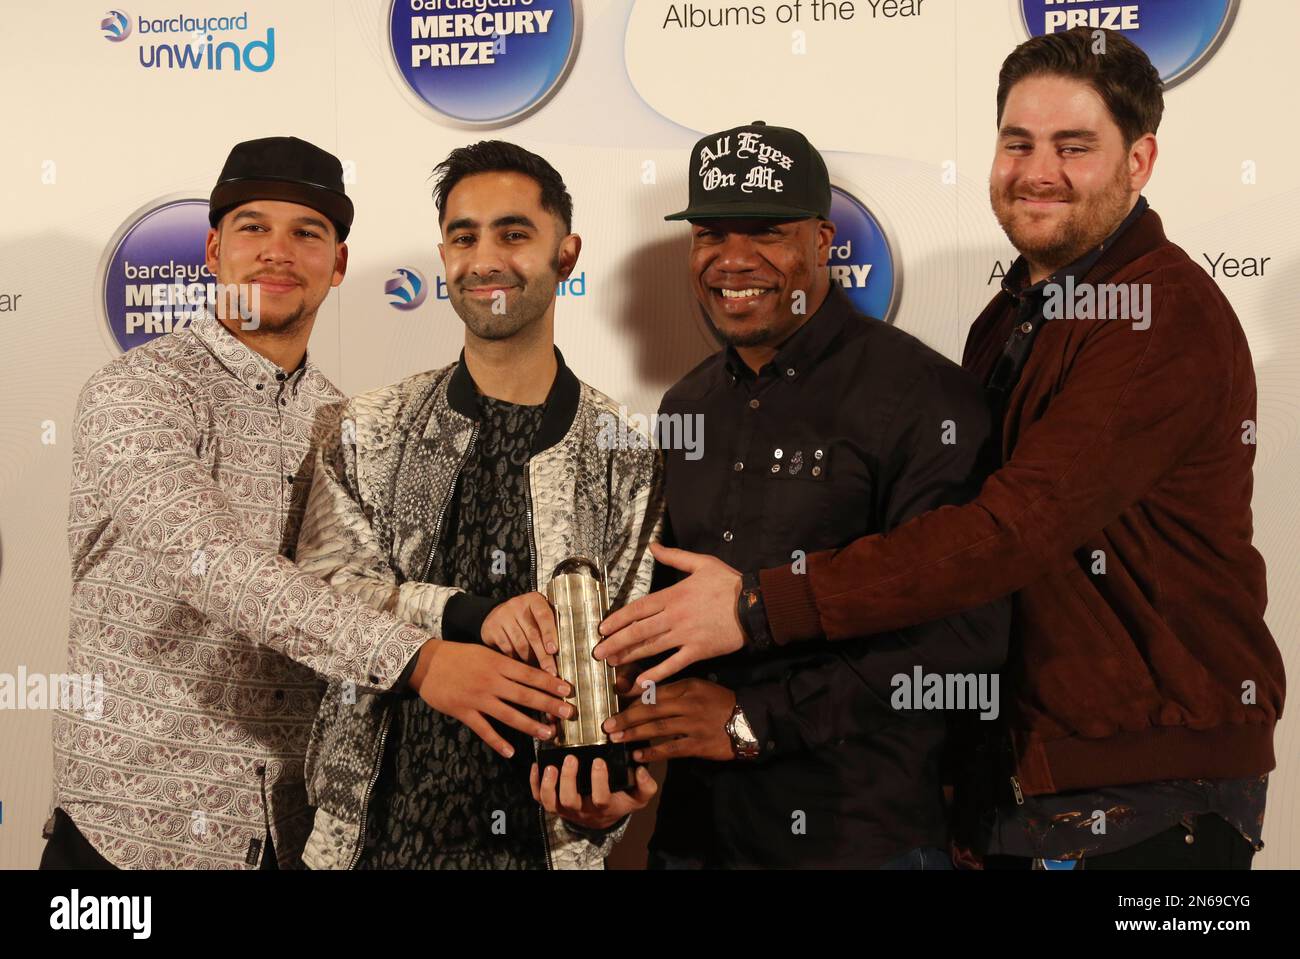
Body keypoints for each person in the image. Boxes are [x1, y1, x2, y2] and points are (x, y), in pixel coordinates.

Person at [597, 30, 1284, 869]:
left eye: (1075, 147)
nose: (1038, 171)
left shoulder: (1155, 315)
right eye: (1017, 142)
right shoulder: (1011, 317)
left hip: (1147, 793)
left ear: (1139, 161)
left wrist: (754, 608)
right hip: (1024, 786)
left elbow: (1005, 534)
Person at [44, 136, 572, 870]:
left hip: (290, 827)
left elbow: (355, 588)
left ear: (339, 264)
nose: (277, 251)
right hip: (132, 832)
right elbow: (214, 564)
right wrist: (420, 659)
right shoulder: (139, 389)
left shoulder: (343, 421)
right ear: (211, 250)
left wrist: (470, 615)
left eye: (307, 233)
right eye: (253, 227)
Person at [594, 121, 1008, 868]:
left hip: (858, 838)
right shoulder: (686, 404)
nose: (733, 260)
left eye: (766, 233)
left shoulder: (924, 397)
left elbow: (964, 644)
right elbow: (673, 611)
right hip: (693, 837)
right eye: (710, 234)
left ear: (822, 240)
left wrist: (757, 719)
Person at [296, 141, 663, 870]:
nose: (485, 257)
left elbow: (632, 659)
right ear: (444, 256)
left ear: (567, 253)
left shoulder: (626, 453)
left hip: (542, 847)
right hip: (369, 844)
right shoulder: (368, 426)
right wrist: (463, 614)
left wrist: (603, 803)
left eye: (513, 233)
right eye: (465, 236)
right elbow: (320, 600)